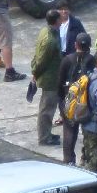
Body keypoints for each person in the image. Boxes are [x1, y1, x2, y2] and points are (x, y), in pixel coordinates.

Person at [57, 32, 96, 165]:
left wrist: (61, 105)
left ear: (75, 45)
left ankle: (68, 161)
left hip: (70, 103)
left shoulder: (67, 60)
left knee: (69, 132)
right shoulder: (92, 60)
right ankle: (85, 160)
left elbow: (59, 84)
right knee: (88, 133)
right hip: (86, 104)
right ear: (89, 46)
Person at [30, 9, 63, 147]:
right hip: (50, 79)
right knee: (47, 109)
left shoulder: (46, 31)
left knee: (48, 108)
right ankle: (44, 137)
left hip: (52, 76)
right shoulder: (50, 40)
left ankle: (47, 133)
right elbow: (42, 61)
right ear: (57, 21)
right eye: (60, 19)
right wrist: (35, 73)